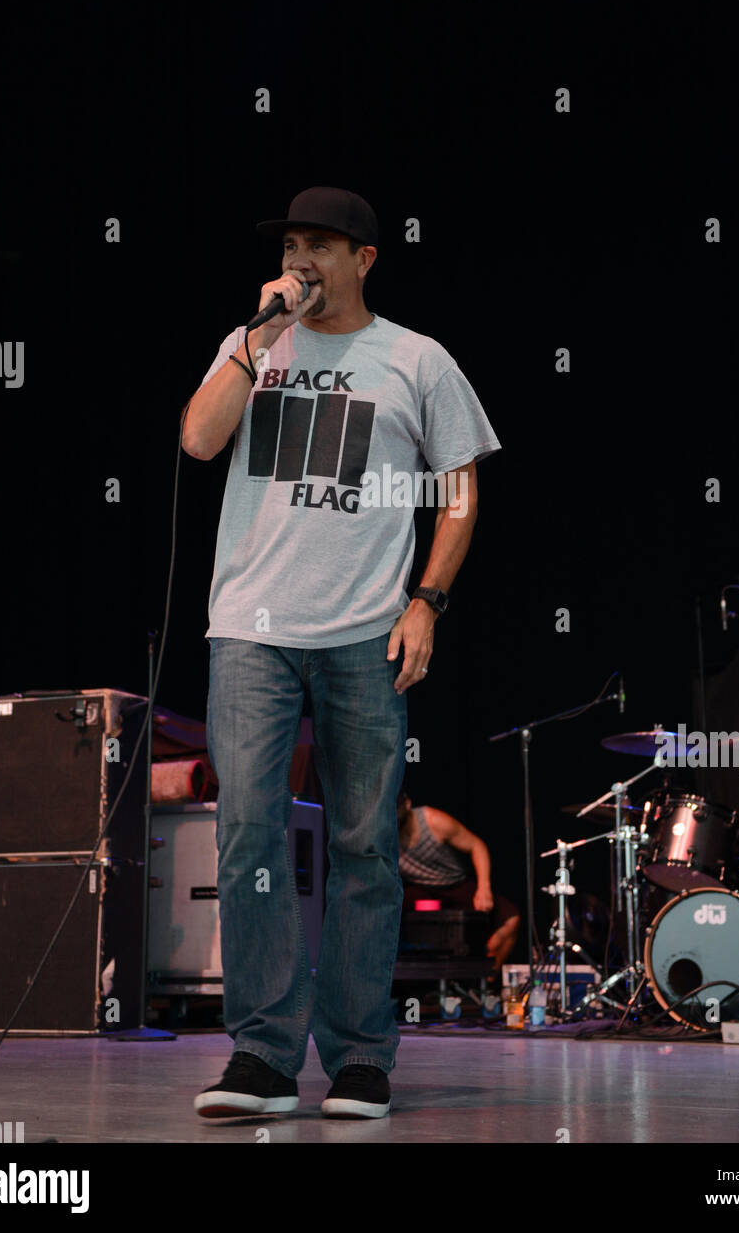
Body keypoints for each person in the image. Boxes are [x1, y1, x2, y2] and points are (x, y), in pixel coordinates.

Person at [182, 187, 501, 1119]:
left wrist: (428, 601)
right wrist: (258, 338)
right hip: (251, 630)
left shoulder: (417, 359)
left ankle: (361, 1057)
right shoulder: (255, 342)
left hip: (366, 632)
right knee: (248, 835)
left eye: (320, 245)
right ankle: (263, 1056)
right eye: (291, 244)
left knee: (366, 845)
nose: (301, 260)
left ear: (365, 259)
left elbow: (459, 493)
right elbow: (199, 440)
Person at [396, 790, 521, 975]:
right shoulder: (378, 833)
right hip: (417, 888)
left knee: (510, 917)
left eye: (395, 807)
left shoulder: (433, 821)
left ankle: (485, 982)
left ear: (406, 804)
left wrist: (484, 888)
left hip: (454, 883)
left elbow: (476, 846)